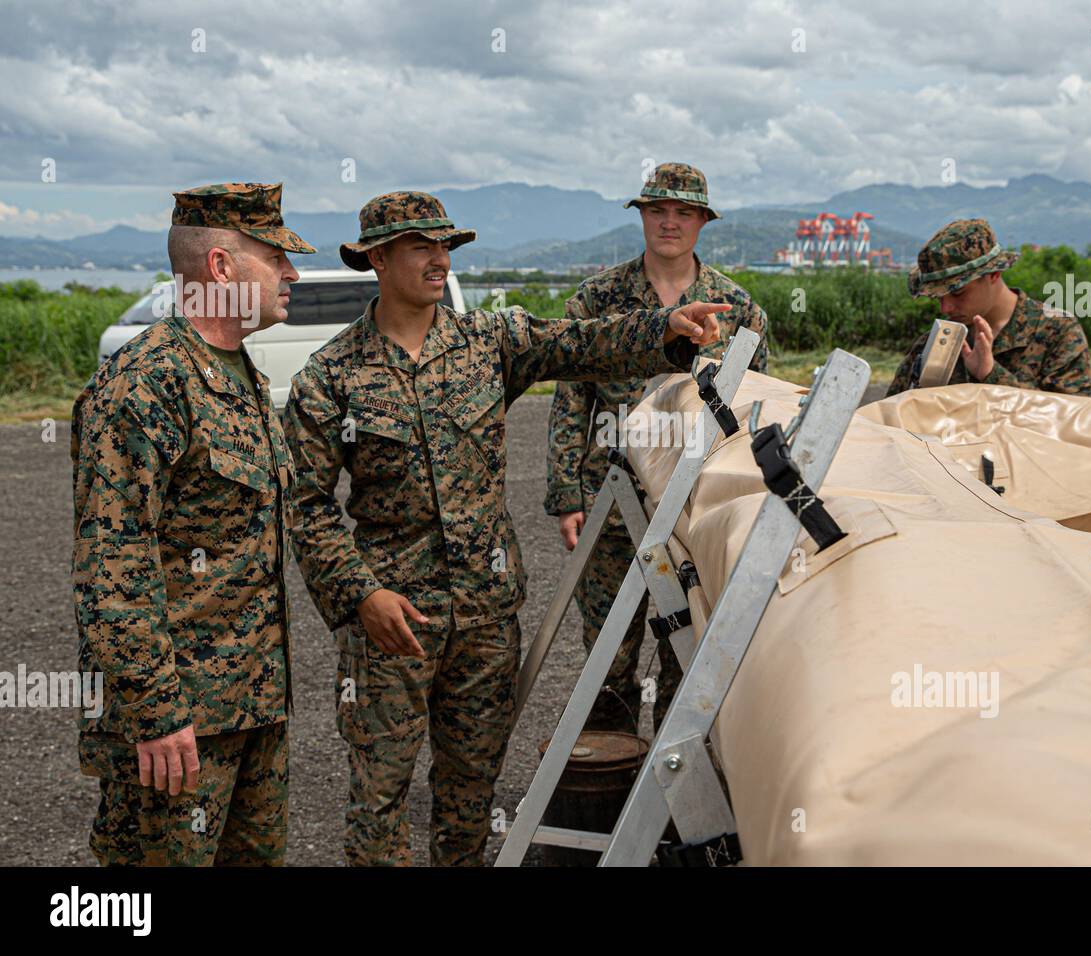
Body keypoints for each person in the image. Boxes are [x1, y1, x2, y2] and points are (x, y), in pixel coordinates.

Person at [283, 190, 728, 866]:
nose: (439, 260)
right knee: (379, 804)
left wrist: (666, 326)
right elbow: (306, 506)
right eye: (420, 247)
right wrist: (360, 595)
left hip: (486, 624)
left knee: (469, 796)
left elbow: (579, 342)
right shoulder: (330, 376)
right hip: (392, 625)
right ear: (377, 258)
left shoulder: (488, 342)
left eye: (446, 247)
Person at [71, 182, 313, 865]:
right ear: (222, 269)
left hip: (253, 708)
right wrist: (156, 713)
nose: (292, 273)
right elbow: (112, 568)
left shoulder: (239, 375)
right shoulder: (144, 385)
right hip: (178, 730)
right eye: (277, 257)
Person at [545, 162, 767, 736]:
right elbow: (571, 399)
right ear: (642, 216)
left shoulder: (736, 308)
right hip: (610, 500)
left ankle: (675, 808)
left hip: (695, 506)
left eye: (683, 212)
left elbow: (752, 415)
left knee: (687, 655)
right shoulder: (599, 298)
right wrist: (567, 495)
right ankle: (610, 789)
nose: (669, 222)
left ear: (702, 222)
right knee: (608, 657)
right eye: (657, 210)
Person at [887, 218, 1091, 396]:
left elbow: (1069, 424)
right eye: (937, 297)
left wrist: (991, 374)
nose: (946, 308)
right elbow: (892, 420)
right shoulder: (934, 345)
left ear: (994, 274)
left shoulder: (1057, 332)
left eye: (958, 292)